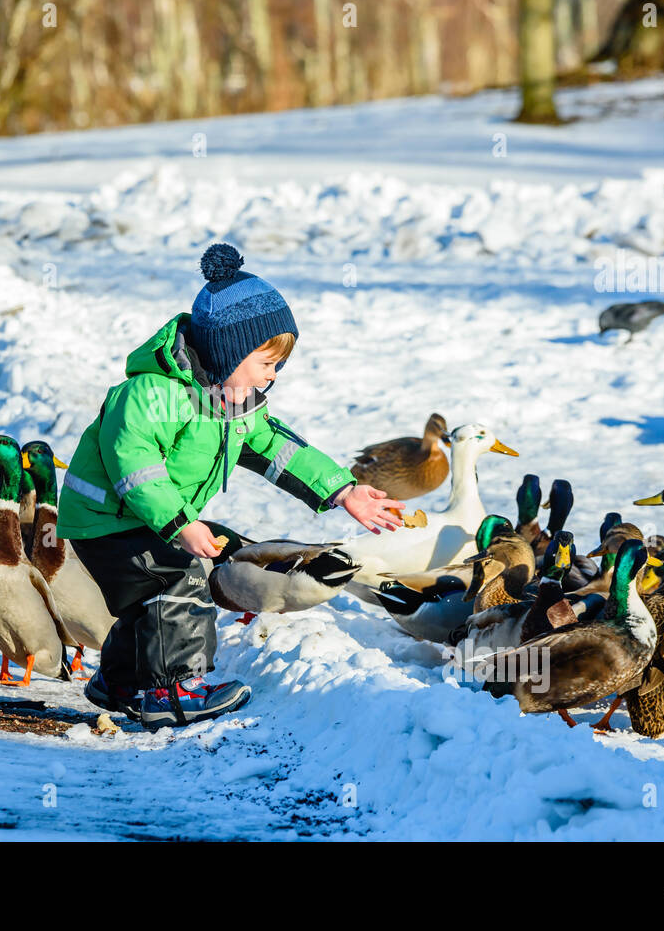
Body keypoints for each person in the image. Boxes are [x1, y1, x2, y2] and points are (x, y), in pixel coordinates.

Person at [56, 242, 403, 730]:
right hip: (106, 520)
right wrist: (181, 524)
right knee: (181, 580)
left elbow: (277, 449)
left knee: (150, 600)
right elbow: (134, 465)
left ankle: (119, 682)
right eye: (266, 362)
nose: (273, 374)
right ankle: (177, 690)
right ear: (227, 351)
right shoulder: (152, 393)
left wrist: (343, 490)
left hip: (148, 518)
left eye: (278, 365)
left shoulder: (234, 402)